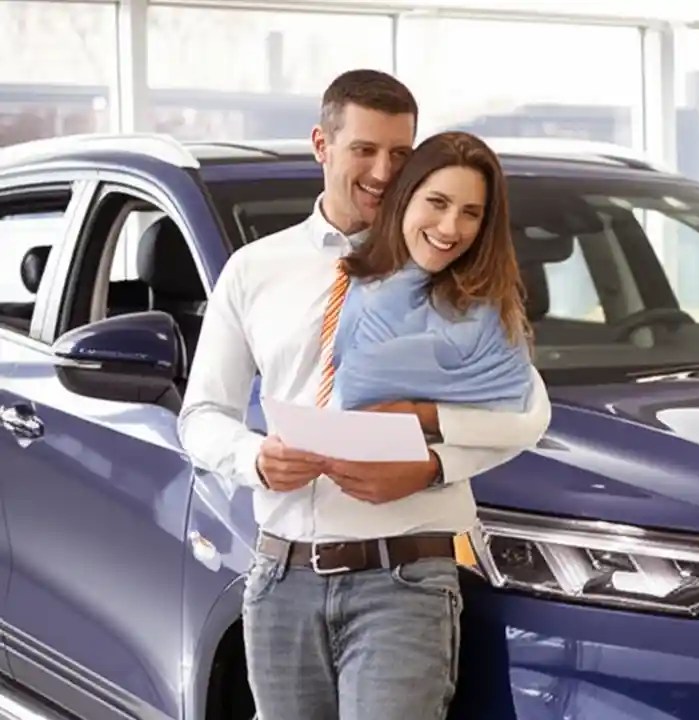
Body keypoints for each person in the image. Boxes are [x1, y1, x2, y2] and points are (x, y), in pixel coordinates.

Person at [177, 69, 551, 720]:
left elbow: (525, 413)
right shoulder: (255, 271)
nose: (384, 171)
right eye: (365, 150)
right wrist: (255, 457)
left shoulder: (448, 271)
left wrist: (434, 462)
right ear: (322, 144)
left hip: (404, 580)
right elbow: (203, 415)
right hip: (280, 578)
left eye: (401, 154)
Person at [329, 132, 533, 415]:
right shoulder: (341, 282)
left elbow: (516, 419)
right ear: (405, 197)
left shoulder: (493, 315)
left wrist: (419, 417)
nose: (450, 228)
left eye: (470, 213)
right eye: (437, 203)